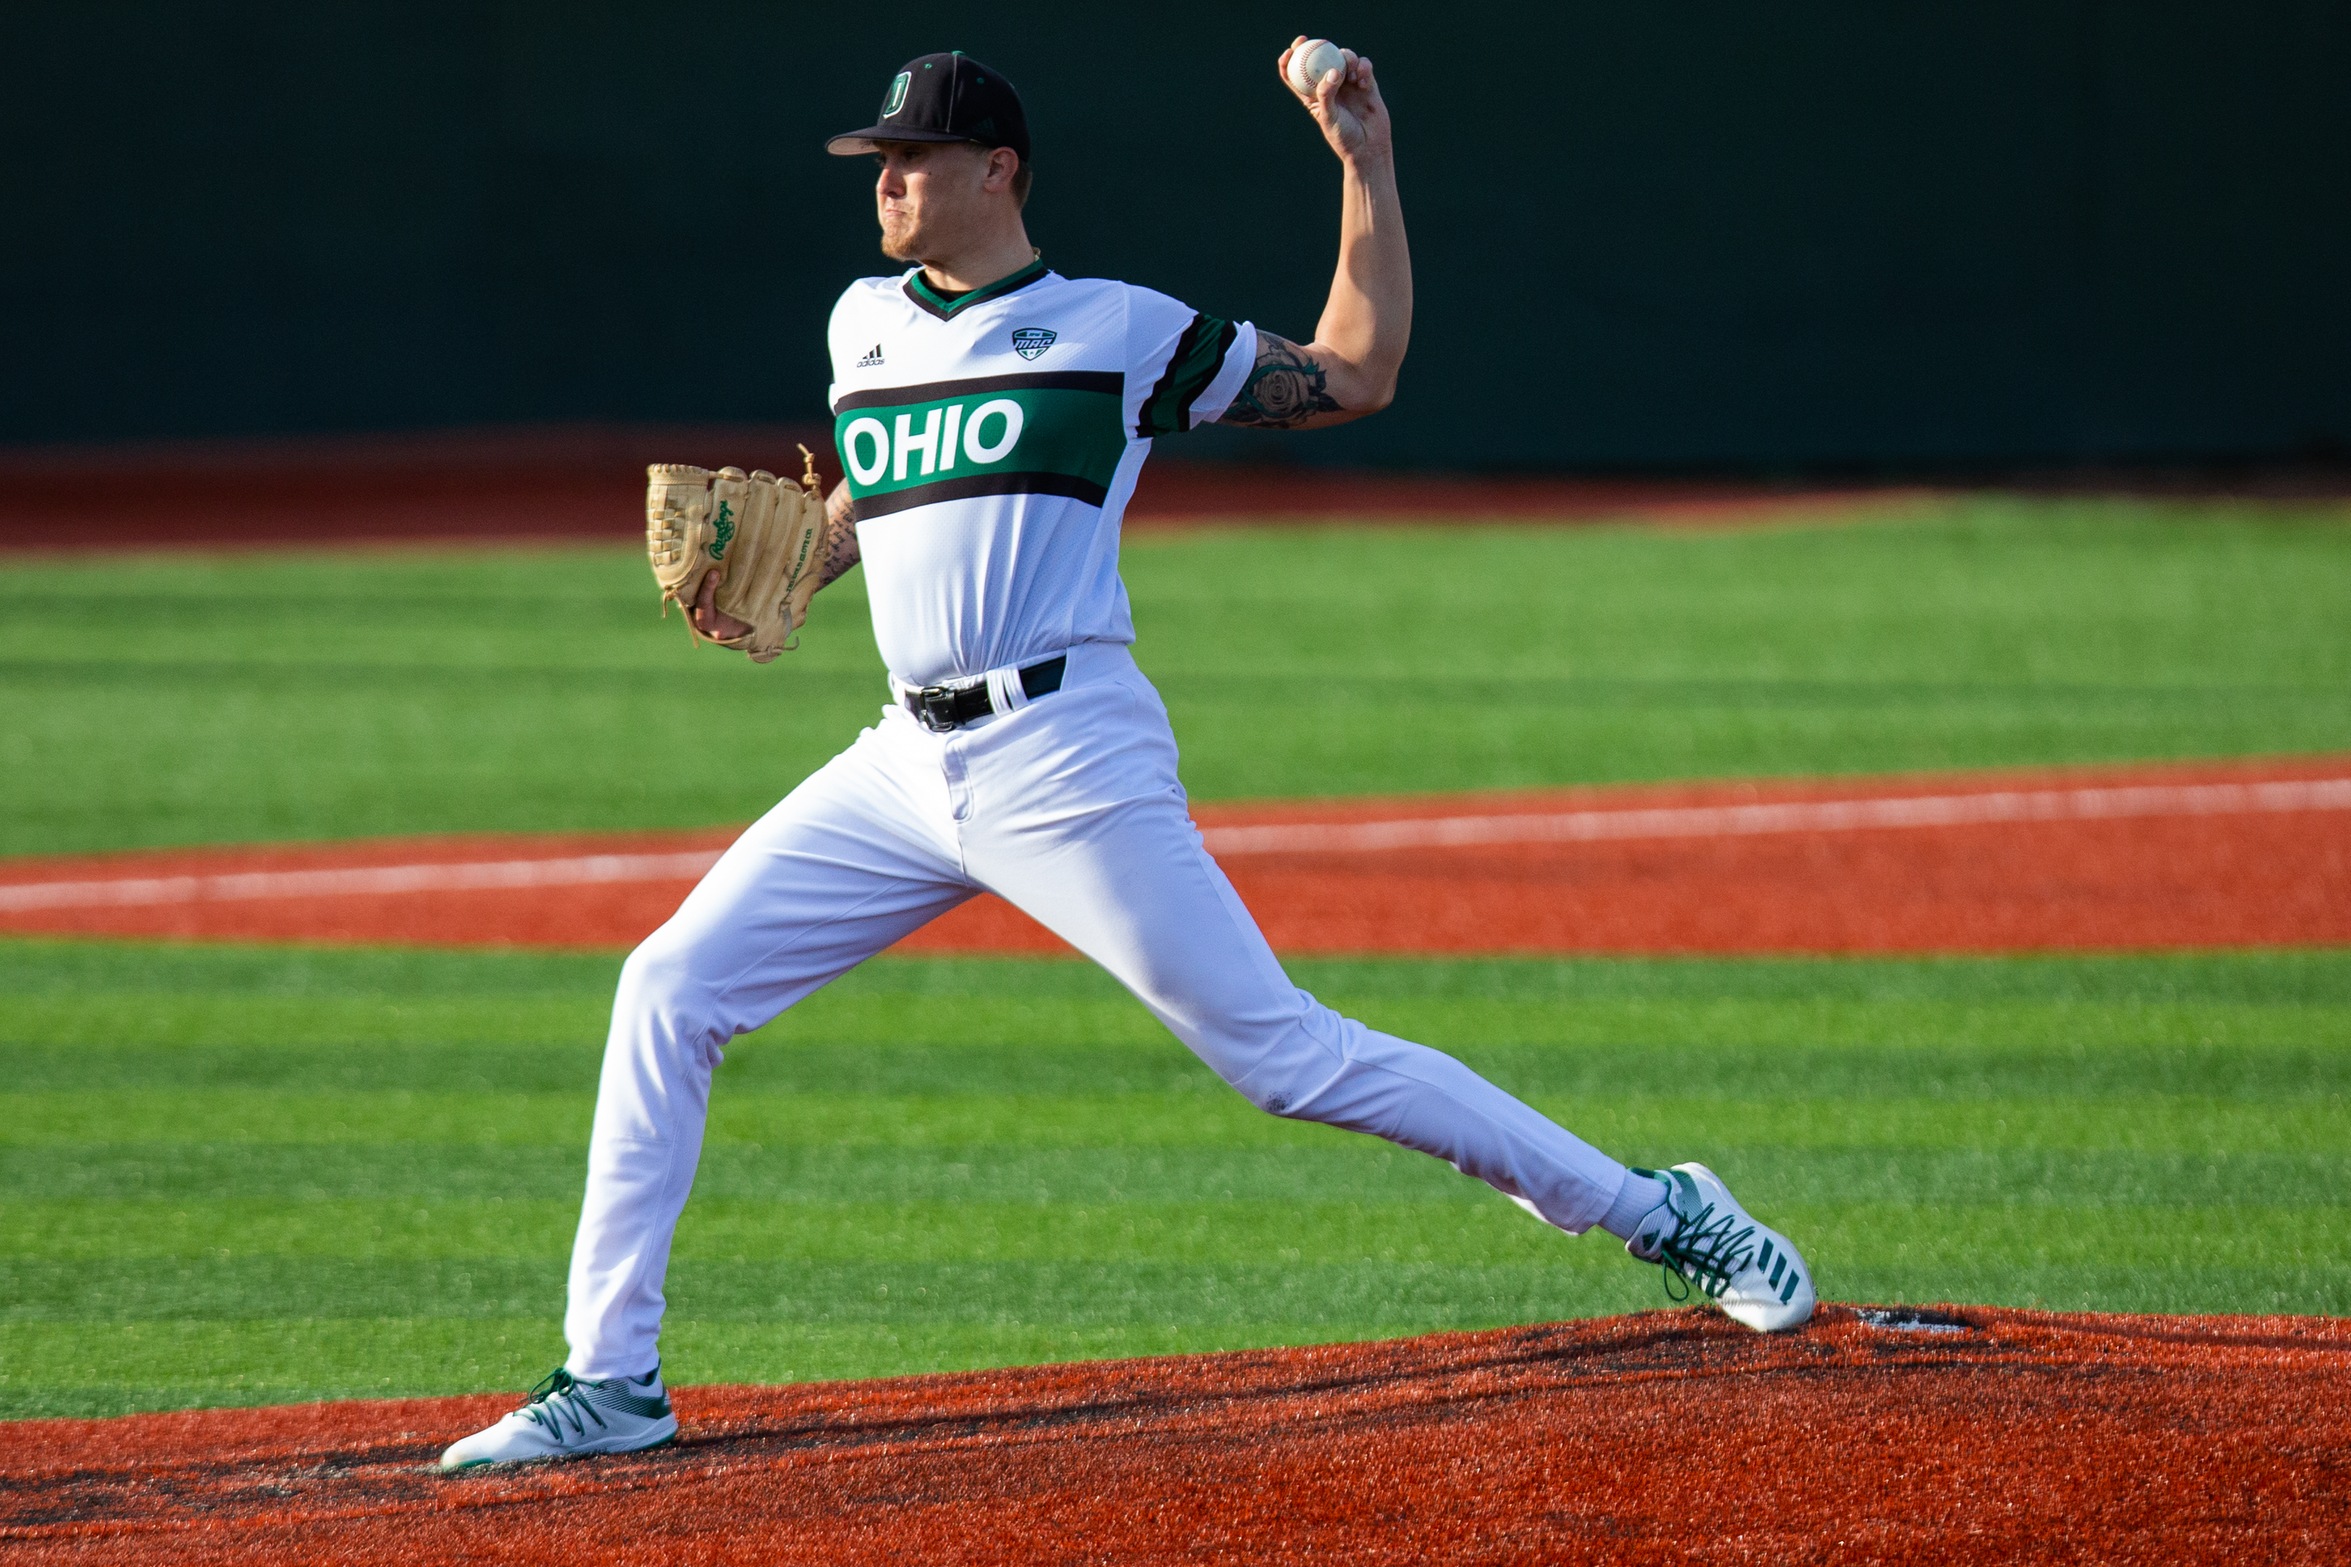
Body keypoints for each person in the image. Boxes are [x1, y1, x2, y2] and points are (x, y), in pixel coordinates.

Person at [439, 42, 1814, 1472]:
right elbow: (888, 496)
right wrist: (809, 555)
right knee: (670, 983)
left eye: (915, 159)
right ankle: (612, 1382)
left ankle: (1662, 1210)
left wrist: (1365, 163)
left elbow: (1356, 372)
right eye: (880, 161)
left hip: (1064, 758)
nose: (889, 182)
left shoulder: (1118, 331)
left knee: (1284, 1059)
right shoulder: (863, 326)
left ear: (999, 172)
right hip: (905, 764)